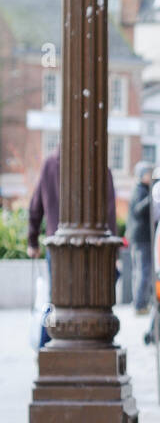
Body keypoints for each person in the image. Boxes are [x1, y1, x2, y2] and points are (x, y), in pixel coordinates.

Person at [26, 149, 116, 347]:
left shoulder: (50, 163)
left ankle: (50, 346)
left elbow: (35, 206)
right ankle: (84, 346)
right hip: (93, 247)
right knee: (89, 301)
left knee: (56, 298)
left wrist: (32, 241)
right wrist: (113, 252)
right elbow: (110, 210)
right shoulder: (98, 163)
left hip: (57, 246)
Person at [128, 162, 156, 316]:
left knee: (140, 271)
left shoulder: (141, 189)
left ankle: (140, 303)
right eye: (147, 173)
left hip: (140, 237)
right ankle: (140, 304)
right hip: (142, 237)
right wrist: (152, 197)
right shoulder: (140, 190)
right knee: (143, 271)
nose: (150, 176)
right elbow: (138, 210)